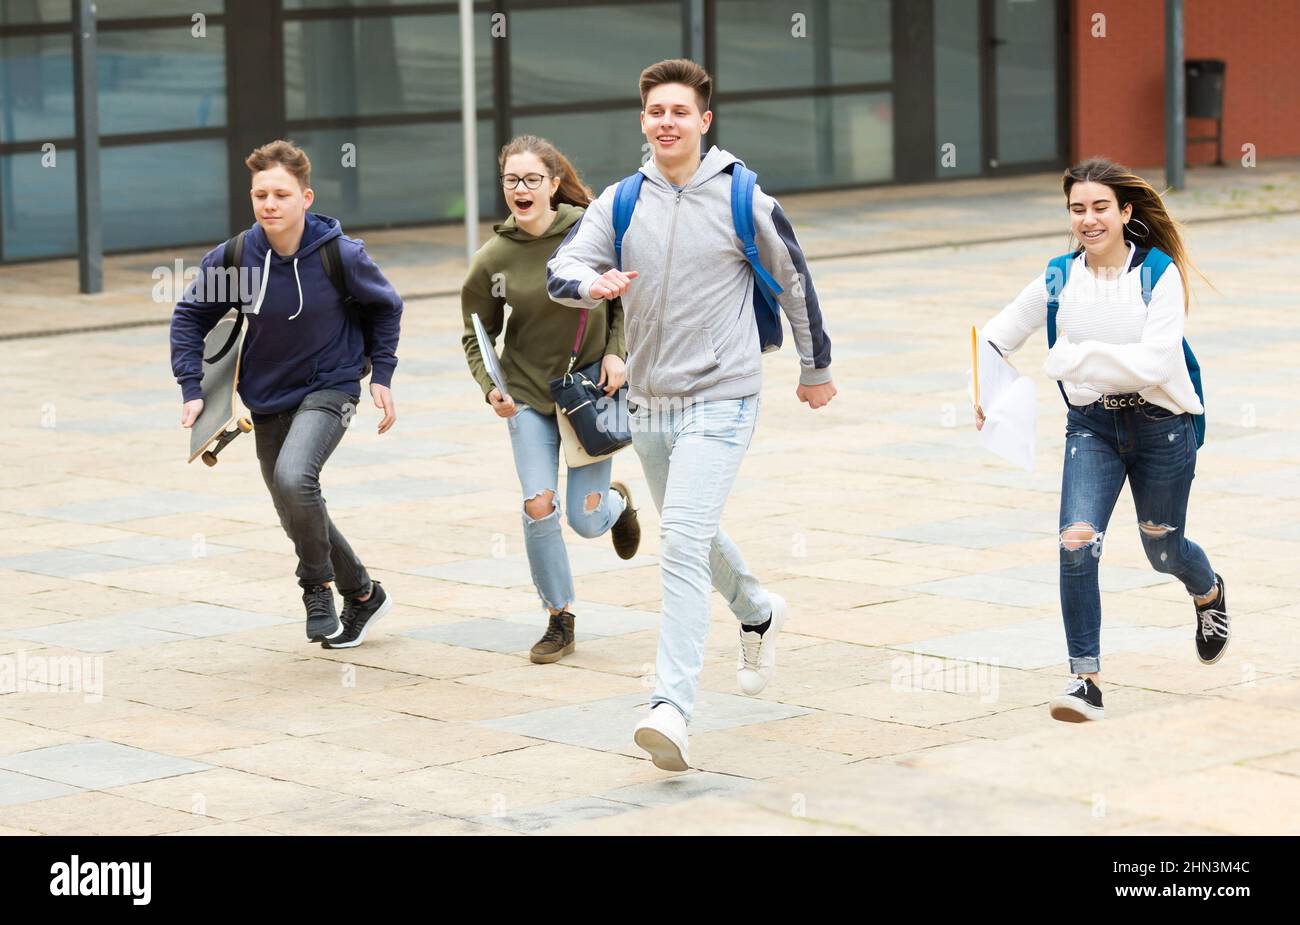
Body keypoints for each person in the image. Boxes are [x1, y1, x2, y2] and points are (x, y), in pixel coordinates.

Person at [547, 59, 836, 771]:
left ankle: (670, 706)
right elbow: (564, 268)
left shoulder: (744, 197)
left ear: (704, 120)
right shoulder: (620, 201)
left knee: (678, 540)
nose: (666, 123)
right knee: (693, 531)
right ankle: (758, 608)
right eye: (655, 113)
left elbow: (794, 276)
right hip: (649, 400)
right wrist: (595, 283)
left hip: (723, 393)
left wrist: (814, 366)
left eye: (680, 111)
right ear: (644, 121)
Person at [977, 157, 1227, 723]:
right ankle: (1084, 679)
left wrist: (1075, 357)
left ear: (1125, 212)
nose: (1088, 219)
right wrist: (987, 392)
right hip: (1091, 428)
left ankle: (1208, 591)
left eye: (1100, 208)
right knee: (1075, 540)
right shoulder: (1058, 278)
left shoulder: (1156, 275)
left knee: (1163, 550)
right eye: (1077, 209)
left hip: (1162, 428)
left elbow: (1155, 364)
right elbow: (994, 337)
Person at [170, 139, 402, 650]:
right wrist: (194, 388)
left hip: (331, 387)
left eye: (280, 194)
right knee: (294, 510)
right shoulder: (235, 256)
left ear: (306, 197)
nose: (269, 204)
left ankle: (315, 588)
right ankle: (362, 594)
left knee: (297, 479)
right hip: (267, 397)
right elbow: (190, 316)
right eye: (260, 195)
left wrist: (381, 374)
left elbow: (386, 307)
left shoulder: (341, 255)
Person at [461, 135, 641, 664]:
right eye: (511, 180)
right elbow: (476, 332)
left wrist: (616, 353)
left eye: (532, 179)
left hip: (588, 392)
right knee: (539, 505)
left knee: (585, 522)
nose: (521, 189)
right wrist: (489, 385)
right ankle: (558, 617)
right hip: (527, 397)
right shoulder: (492, 259)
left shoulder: (588, 237)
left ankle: (617, 505)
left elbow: (622, 301)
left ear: (554, 184)